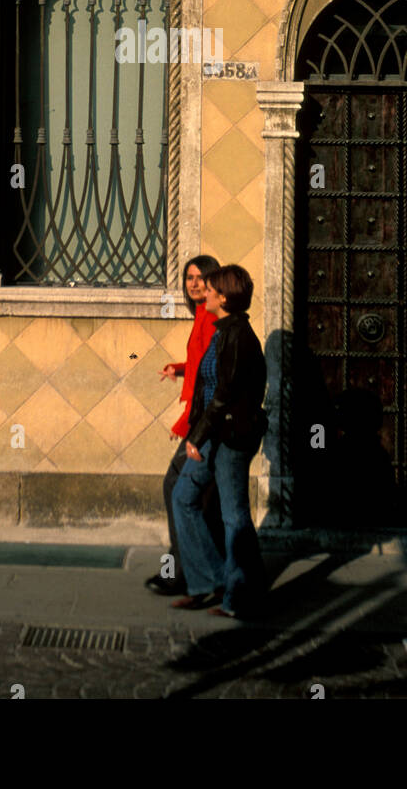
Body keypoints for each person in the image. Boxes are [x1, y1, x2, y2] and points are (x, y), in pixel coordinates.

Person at [171, 264, 268, 619]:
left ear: (224, 297)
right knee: (183, 498)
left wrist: (197, 436)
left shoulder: (240, 336)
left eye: (210, 289)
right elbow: (206, 386)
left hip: (229, 437)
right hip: (212, 432)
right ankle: (211, 580)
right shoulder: (222, 331)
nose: (204, 293)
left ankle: (240, 595)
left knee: (234, 515)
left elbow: (224, 394)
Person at [144, 254, 224, 596]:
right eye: (189, 277)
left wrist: (202, 427)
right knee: (205, 499)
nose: (194, 283)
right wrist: (178, 368)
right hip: (202, 417)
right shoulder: (202, 316)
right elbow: (200, 364)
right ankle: (212, 569)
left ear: (214, 283)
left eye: (201, 278)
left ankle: (181, 571)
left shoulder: (209, 317)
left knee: (176, 488)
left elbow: (215, 371)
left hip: (203, 420)